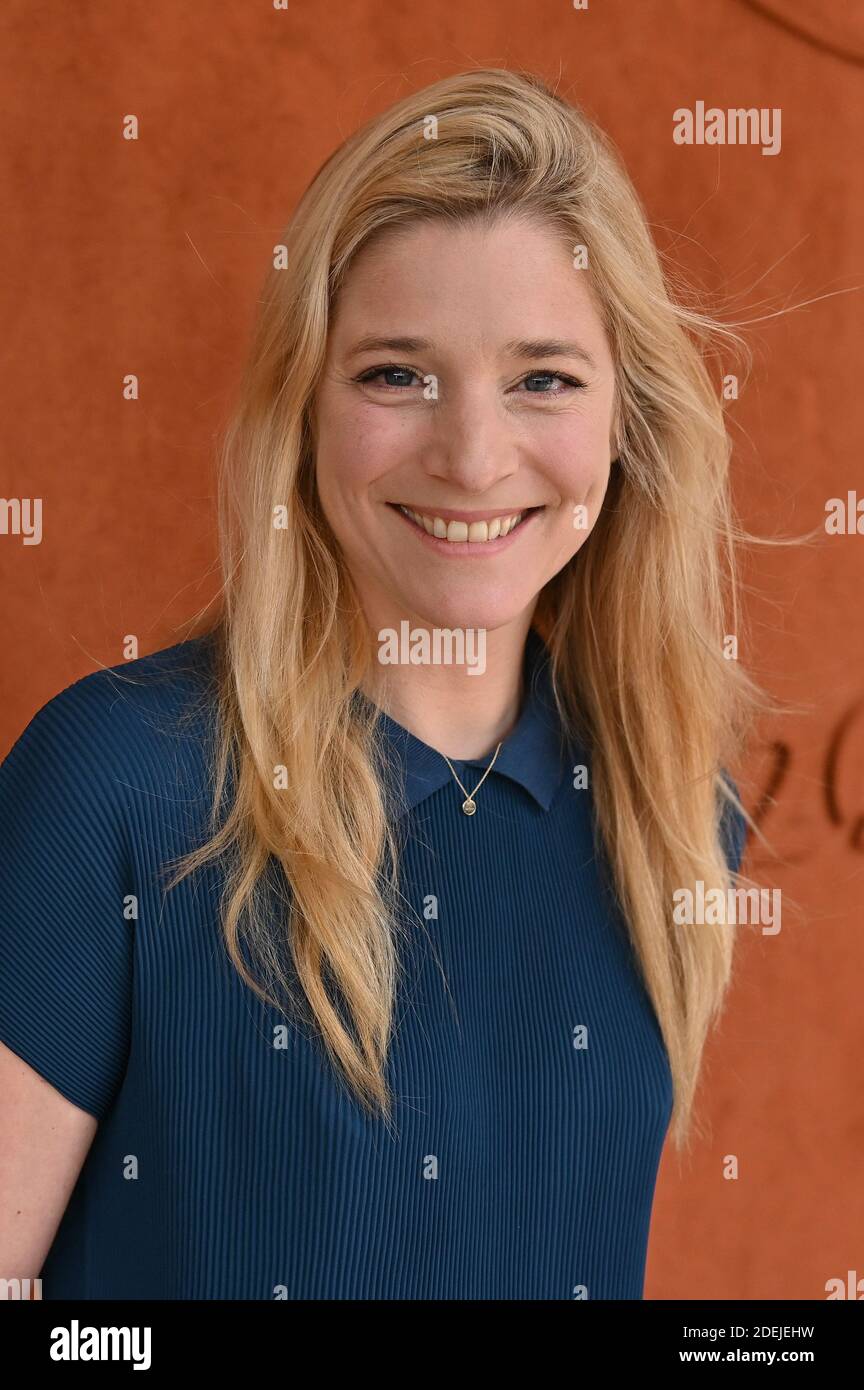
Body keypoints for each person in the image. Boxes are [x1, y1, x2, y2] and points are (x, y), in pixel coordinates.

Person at [0, 67, 756, 1300]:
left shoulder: (671, 810)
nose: (471, 454)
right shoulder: (115, 788)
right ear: (302, 409)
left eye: (543, 378)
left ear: (628, 419)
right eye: (396, 374)